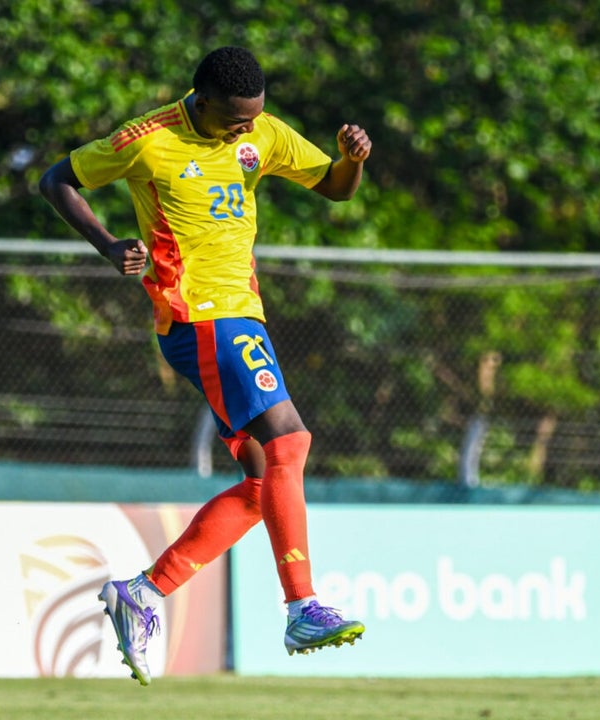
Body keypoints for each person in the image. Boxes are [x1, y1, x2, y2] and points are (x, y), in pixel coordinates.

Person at [39, 46, 371, 685]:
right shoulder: (148, 138)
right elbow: (56, 178)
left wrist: (353, 162)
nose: (248, 129)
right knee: (291, 442)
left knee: (260, 485)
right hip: (203, 317)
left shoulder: (262, 131)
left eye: (256, 117)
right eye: (236, 119)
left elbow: (333, 189)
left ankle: (143, 592)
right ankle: (303, 605)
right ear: (202, 99)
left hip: (238, 316)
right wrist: (110, 246)